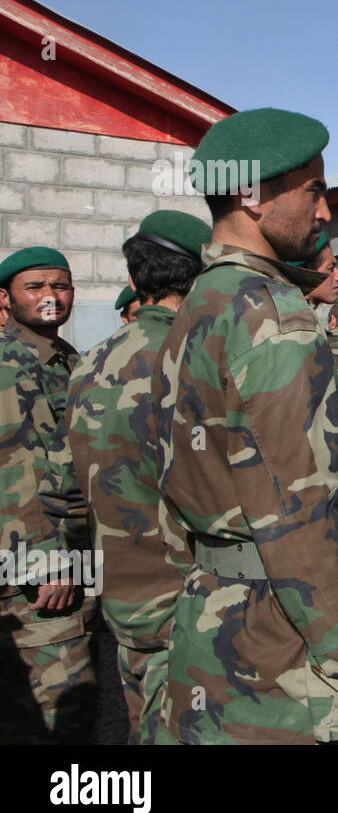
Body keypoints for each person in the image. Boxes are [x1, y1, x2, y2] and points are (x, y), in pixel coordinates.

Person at [153, 107, 338, 744]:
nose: (326, 213)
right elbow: (302, 515)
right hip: (284, 652)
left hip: (212, 619)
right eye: (314, 190)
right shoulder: (271, 317)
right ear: (249, 195)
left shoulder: (201, 302)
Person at [40, 211, 211, 744]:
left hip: (122, 591)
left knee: (143, 721)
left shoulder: (88, 362)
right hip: (188, 594)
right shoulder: (191, 357)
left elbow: (67, 480)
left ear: (136, 281)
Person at [0, 247, 96, 743]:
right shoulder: (11, 361)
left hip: (54, 558)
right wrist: (48, 559)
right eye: (34, 287)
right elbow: (19, 467)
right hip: (35, 573)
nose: (50, 297)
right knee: (63, 713)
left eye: (60, 286)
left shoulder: (65, 359)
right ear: (6, 298)